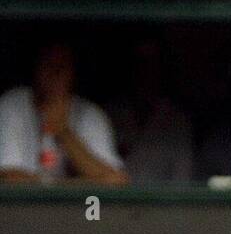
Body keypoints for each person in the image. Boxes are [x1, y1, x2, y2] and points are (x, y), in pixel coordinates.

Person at [0, 41, 128, 186]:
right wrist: (82, 185)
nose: (55, 74)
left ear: (72, 73)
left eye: (62, 67)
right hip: (24, 208)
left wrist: (63, 131)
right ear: (36, 68)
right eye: (49, 65)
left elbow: (116, 181)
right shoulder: (13, 105)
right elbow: (10, 179)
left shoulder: (89, 114)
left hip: (79, 208)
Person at [106, 39, 193, 184]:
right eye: (140, 63)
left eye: (152, 65)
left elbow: (182, 181)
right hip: (112, 205)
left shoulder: (177, 121)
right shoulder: (109, 114)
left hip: (160, 205)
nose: (145, 72)